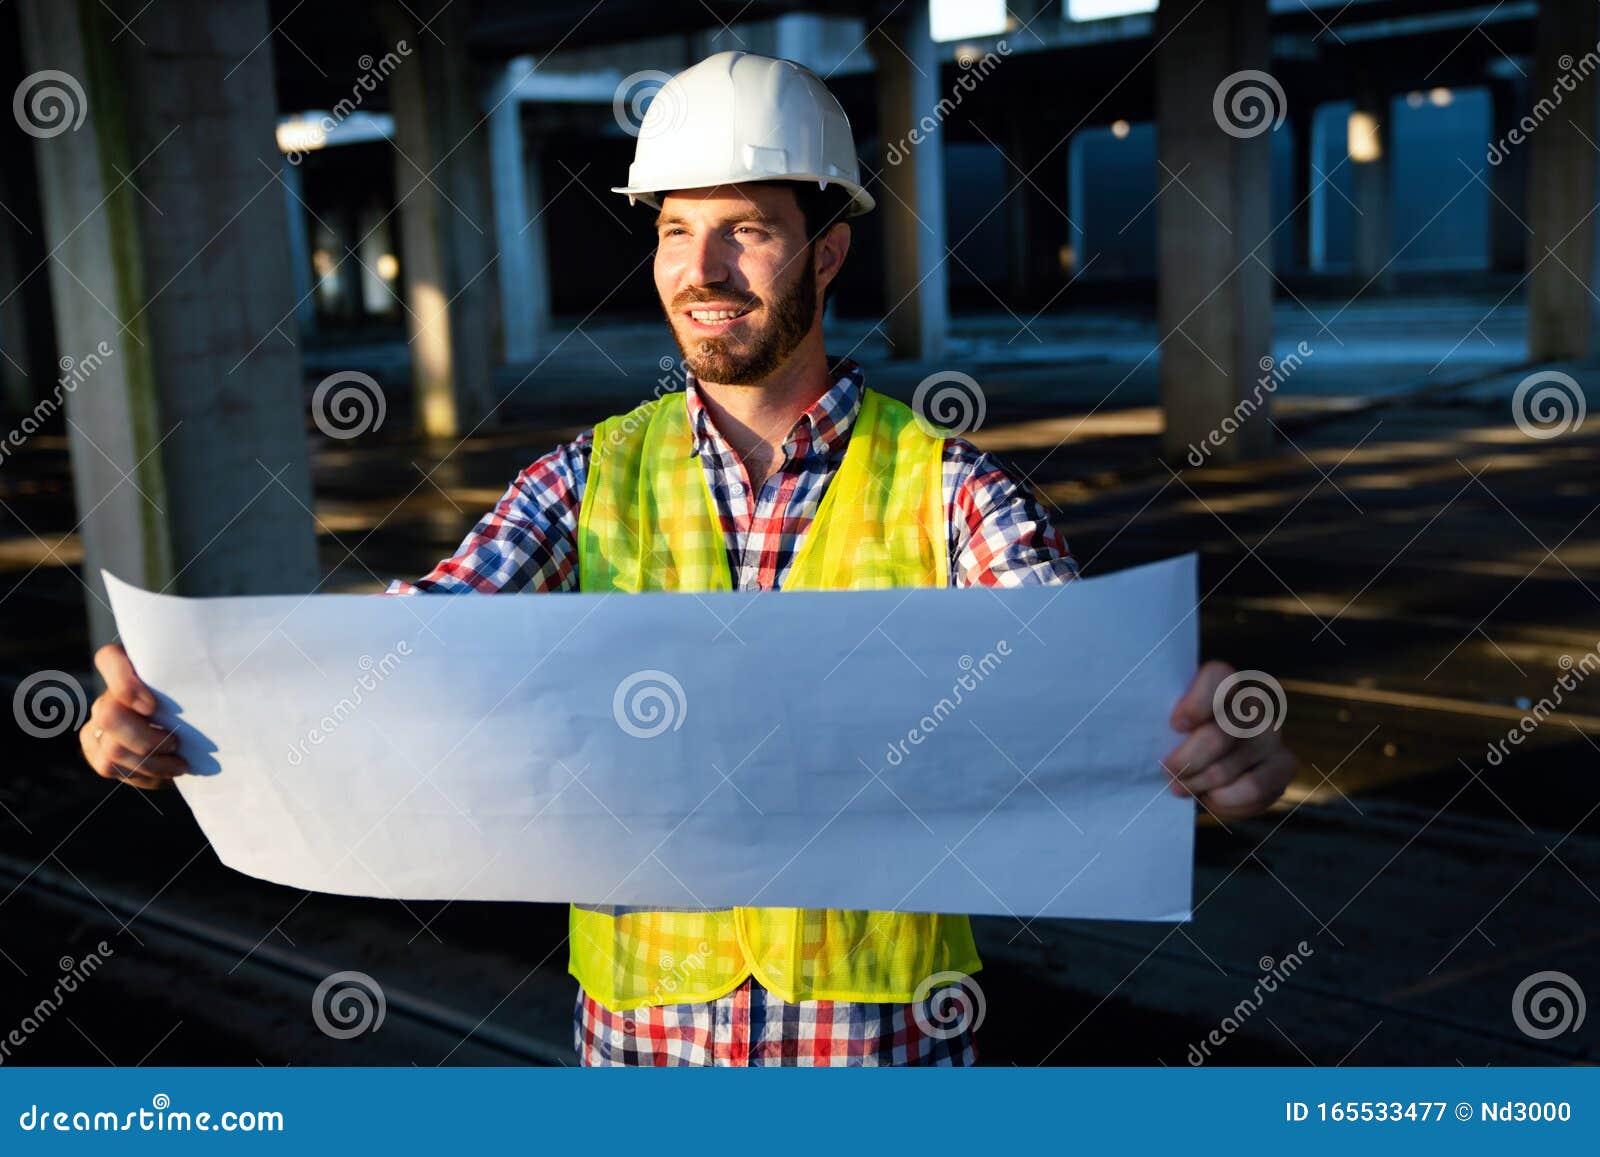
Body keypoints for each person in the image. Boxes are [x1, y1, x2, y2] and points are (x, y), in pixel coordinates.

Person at [78, 51, 1298, 1066]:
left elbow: (1088, 698)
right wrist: (182, 712)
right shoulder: (581, 478)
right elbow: (413, 654)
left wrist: (1209, 750)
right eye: (675, 230)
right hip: (643, 1052)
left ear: (825, 252)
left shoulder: (952, 490)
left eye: (747, 233)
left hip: (884, 1056)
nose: (700, 272)